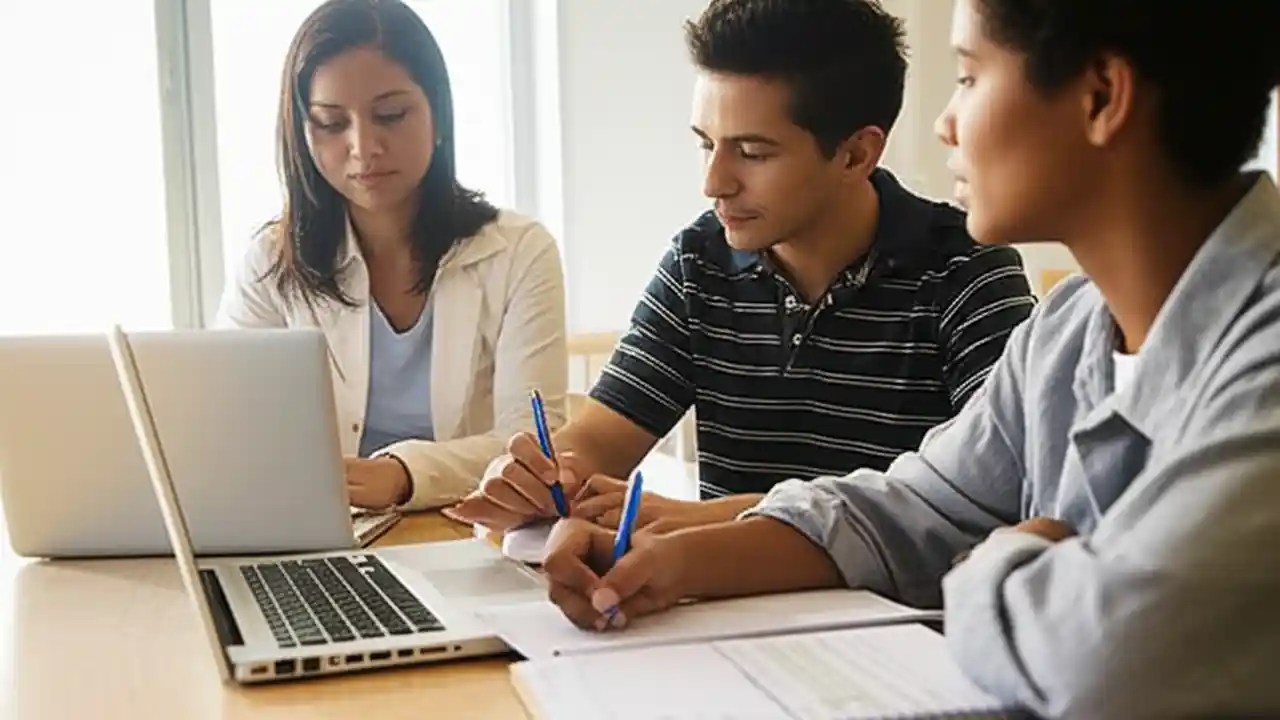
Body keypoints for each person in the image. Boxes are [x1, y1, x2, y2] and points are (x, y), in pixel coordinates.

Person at [542, 0, 1280, 716]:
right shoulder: (1068, 332)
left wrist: (991, 567)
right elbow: (910, 507)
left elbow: (1105, 659)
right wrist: (667, 562)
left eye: (968, 76)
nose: (944, 122)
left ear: (1100, 96)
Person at [449, 0, 1036, 533]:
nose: (714, 183)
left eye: (753, 152)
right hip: (722, 611)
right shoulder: (697, 262)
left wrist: (709, 520)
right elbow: (602, 437)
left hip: (899, 625)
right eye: (707, 143)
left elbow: (987, 496)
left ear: (857, 153)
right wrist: (541, 475)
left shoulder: (966, 271)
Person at [217, 0, 567, 512]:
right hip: (322, 541)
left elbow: (532, 448)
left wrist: (405, 475)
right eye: (332, 123)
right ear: (302, 133)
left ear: (439, 116)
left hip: (468, 538)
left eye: (390, 115)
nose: (364, 147)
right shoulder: (271, 262)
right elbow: (228, 437)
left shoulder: (519, 252)